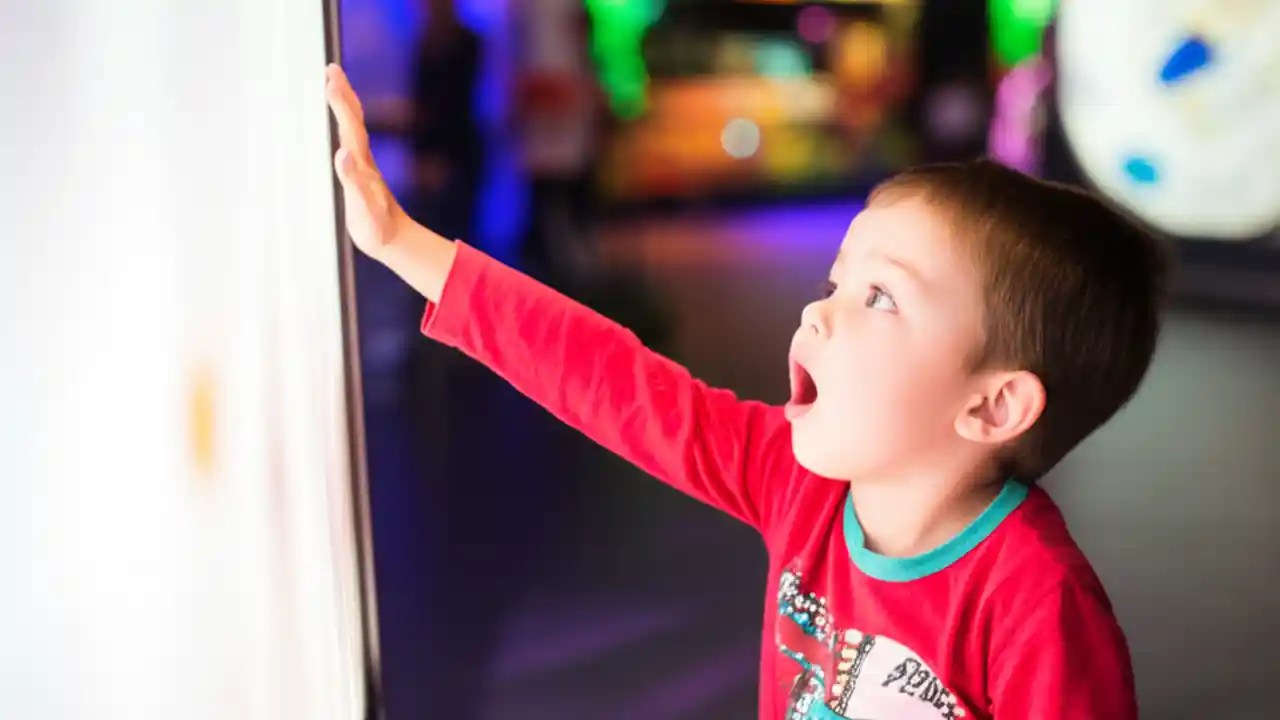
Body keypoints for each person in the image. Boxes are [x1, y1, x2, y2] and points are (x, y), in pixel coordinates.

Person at [326, 63, 1167, 718]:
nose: (820, 311)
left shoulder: (1036, 603)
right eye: (838, 281)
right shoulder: (799, 486)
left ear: (992, 405)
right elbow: (610, 380)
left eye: (880, 296)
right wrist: (403, 244)